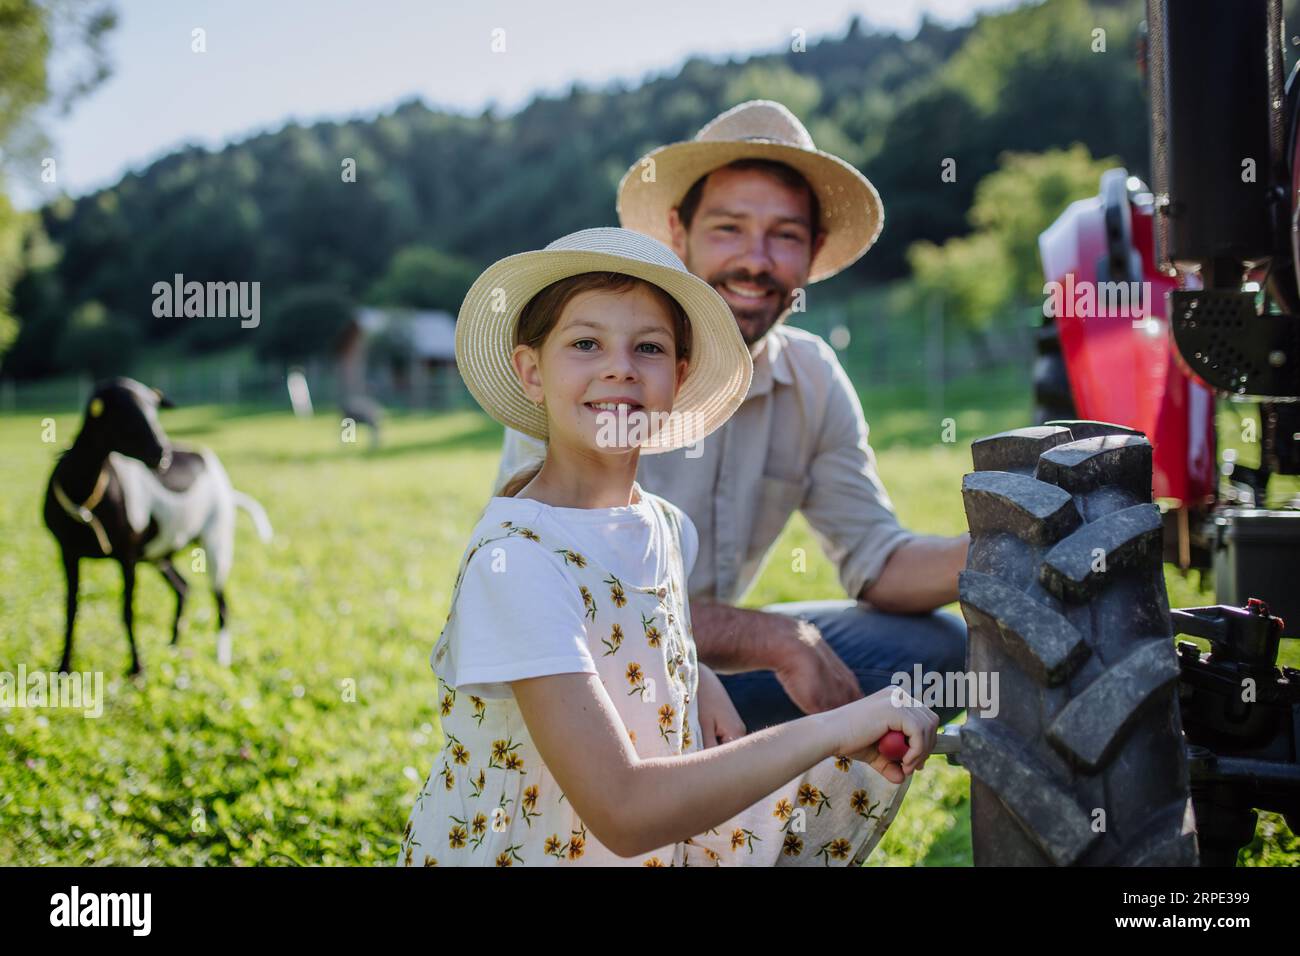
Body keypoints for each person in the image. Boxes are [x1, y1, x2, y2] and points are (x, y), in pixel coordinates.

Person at [399, 227, 939, 866]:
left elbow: (630, 636)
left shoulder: (663, 525)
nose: (619, 366)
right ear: (530, 370)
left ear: (678, 379)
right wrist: (829, 730)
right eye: (584, 343)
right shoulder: (517, 560)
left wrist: (698, 672)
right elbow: (624, 811)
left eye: (648, 347)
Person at [496, 101, 970, 733]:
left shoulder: (812, 377)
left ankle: (733, 771)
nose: (756, 260)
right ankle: (681, 778)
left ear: (814, 252)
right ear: (676, 231)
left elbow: (877, 561)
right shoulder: (601, 374)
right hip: (586, 677)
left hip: (704, 666)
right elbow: (570, 592)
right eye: (728, 228)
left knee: (941, 653)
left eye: (786, 235)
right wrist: (777, 640)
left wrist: (1013, 547)